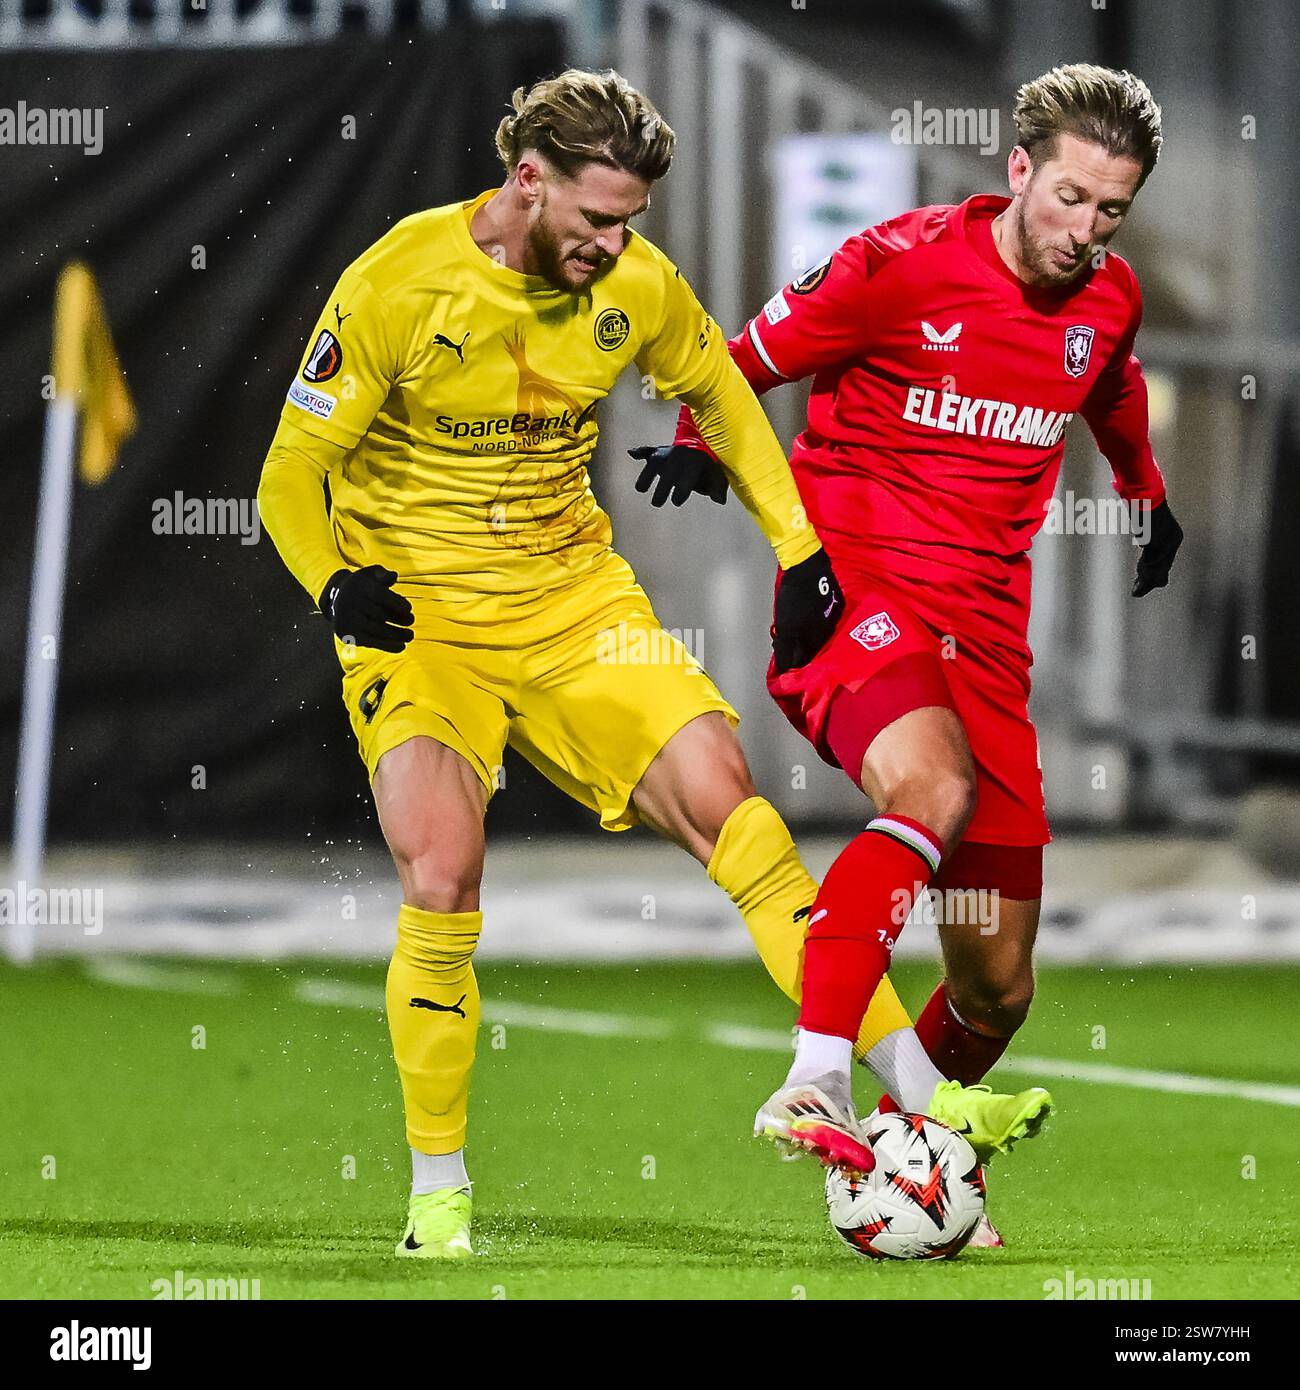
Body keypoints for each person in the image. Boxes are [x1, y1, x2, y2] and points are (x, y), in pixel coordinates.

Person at [259, 68, 1048, 1260]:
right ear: (527, 180)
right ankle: (437, 1192)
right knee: (442, 871)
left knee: (732, 803)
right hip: (422, 625)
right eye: (593, 216)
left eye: (629, 219)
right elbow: (285, 477)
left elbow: (727, 401)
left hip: (576, 606)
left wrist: (798, 552)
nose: (611, 242)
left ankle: (919, 1095)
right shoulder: (396, 282)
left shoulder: (635, 283)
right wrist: (334, 583)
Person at [633, 63, 1180, 1243]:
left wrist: (1147, 494)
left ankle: (902, 1152)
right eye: (1070, 197)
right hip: (853, 596)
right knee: (928, 785)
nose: (1084, 232)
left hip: (983, 639)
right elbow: (735, 361)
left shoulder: (1107, 298)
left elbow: (1111, 386)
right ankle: (819, 1072)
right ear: (1018, 170)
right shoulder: (894, 266)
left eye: (1110, 212)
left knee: (997, 984)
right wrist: (695, 437)